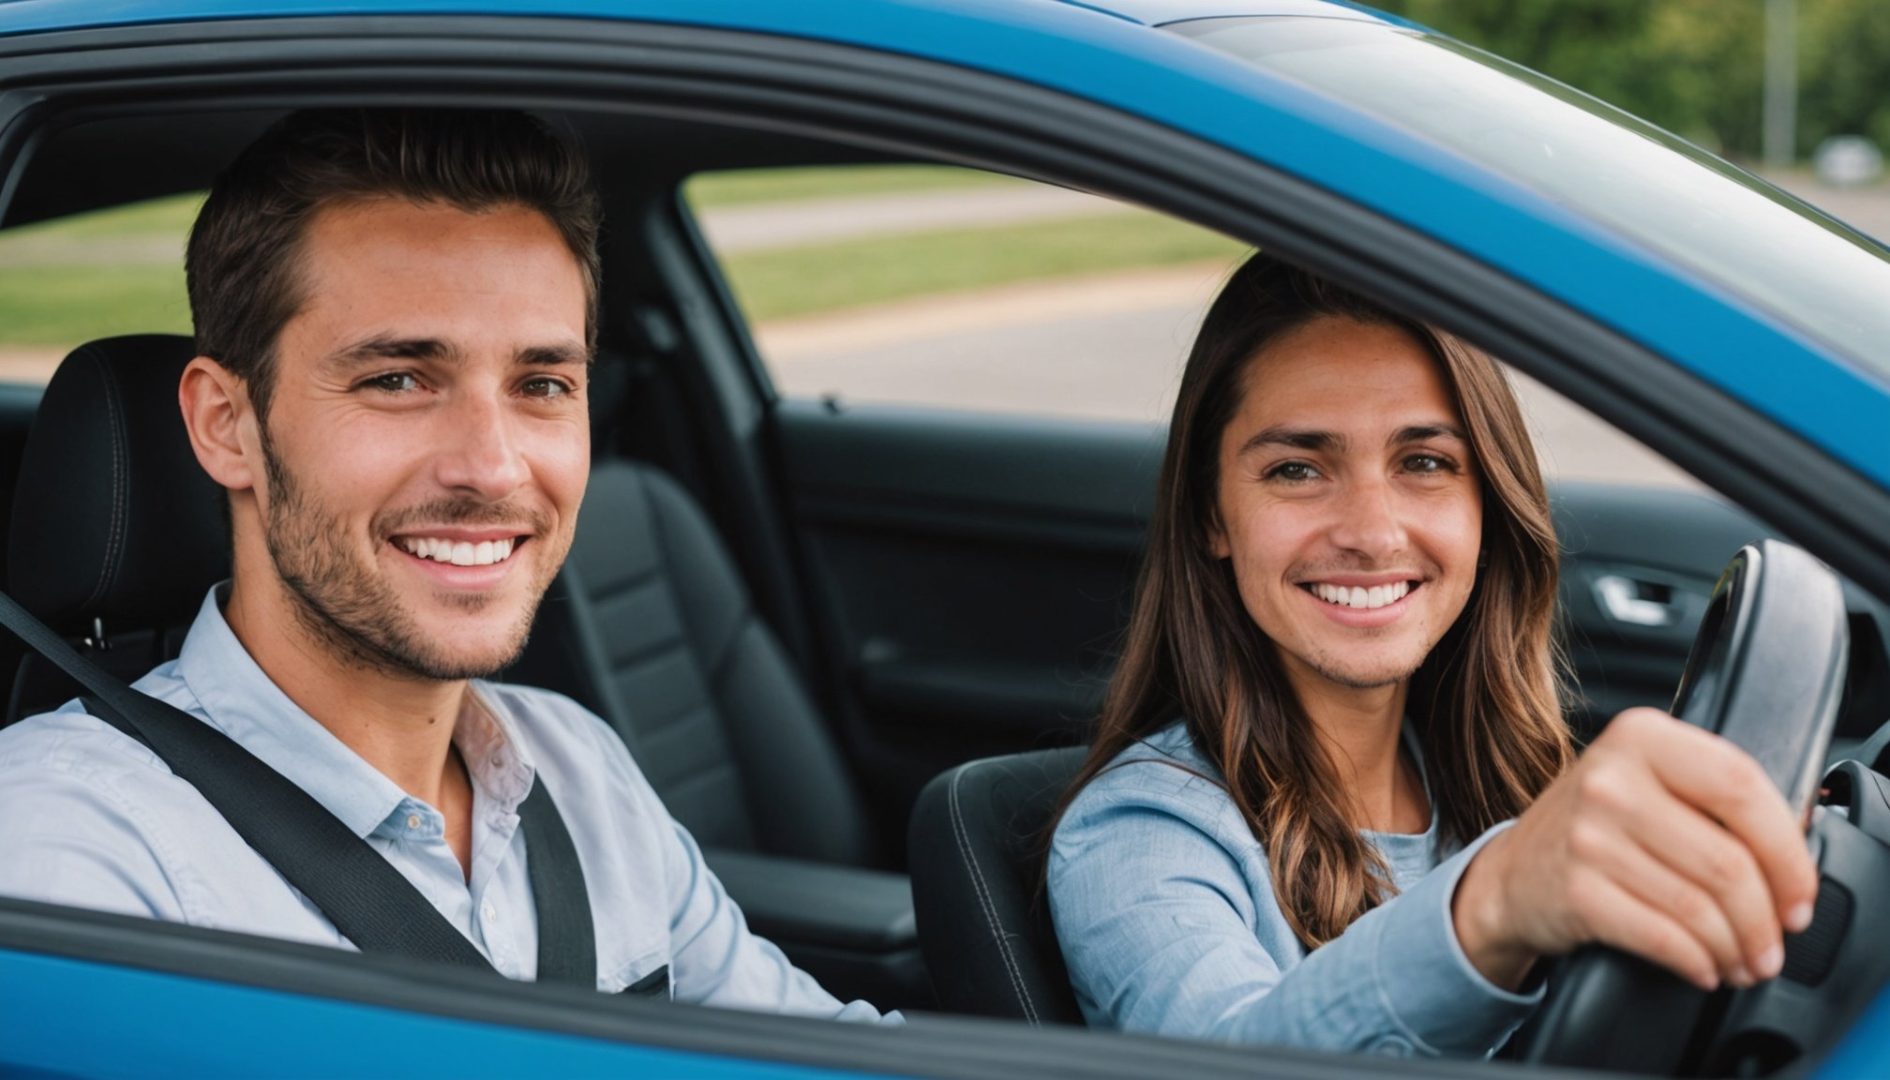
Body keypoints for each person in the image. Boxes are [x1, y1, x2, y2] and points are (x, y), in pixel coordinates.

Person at [0, 108, 889, 1020]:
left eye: (542, 385)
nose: (494, 468)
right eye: (398, 380)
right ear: (227, 426)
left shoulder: (578, 766)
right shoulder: (75, 851)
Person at [1045, 253, 1816, 1056]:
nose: (1373, 533)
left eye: (1424, 463)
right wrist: (1494, 901)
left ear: (1488, 502)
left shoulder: (1492, 776)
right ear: (1213, 516)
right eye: (1297, 469)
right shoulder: (1141, 831)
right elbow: (1229, 1061)